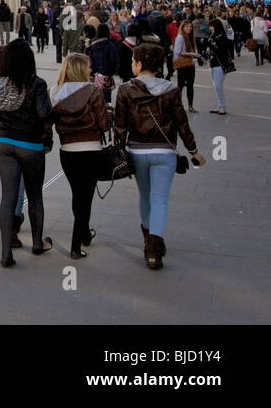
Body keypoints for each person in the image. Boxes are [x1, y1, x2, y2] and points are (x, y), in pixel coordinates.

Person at [113, 43, 205, 269]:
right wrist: (194, 151)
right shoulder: (171, 90)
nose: (132, 64)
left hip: (137, 151)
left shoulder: (125, 90)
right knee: (160, 200)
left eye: (134, 60)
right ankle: (154, 250)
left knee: (145, 196)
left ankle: (149, 239)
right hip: (164, 152)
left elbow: (120, 127)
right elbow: (182, 124)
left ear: (140, 64)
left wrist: (119, 151)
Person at [0, 40, 53, 267]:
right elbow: (45, 115)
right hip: (30, 144)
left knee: (8, 197)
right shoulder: (36, 84)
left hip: (4, 143)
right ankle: (37, 242)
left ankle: (5, 254)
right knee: (35, 196)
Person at [49, 53, 108, 259]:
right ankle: (76, 244)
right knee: (86, 196)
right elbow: (103, 124)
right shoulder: (93, 91)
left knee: (77, 193)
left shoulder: (54, 92)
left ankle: (84, 232)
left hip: (67, 150)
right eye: (88, 66)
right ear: (81, 69)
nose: (91, 70)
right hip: (91, 148)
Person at [207, 17, 234, 115]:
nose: (210, 28)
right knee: (216, 87)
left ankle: (222, 107)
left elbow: (221, 50)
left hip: (220, 64)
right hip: (212, 63)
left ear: (215, 26)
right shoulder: (212, 35)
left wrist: (211, 46)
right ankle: (220, 106)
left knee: (218, 86)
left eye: (211, 26)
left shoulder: (222, 36)